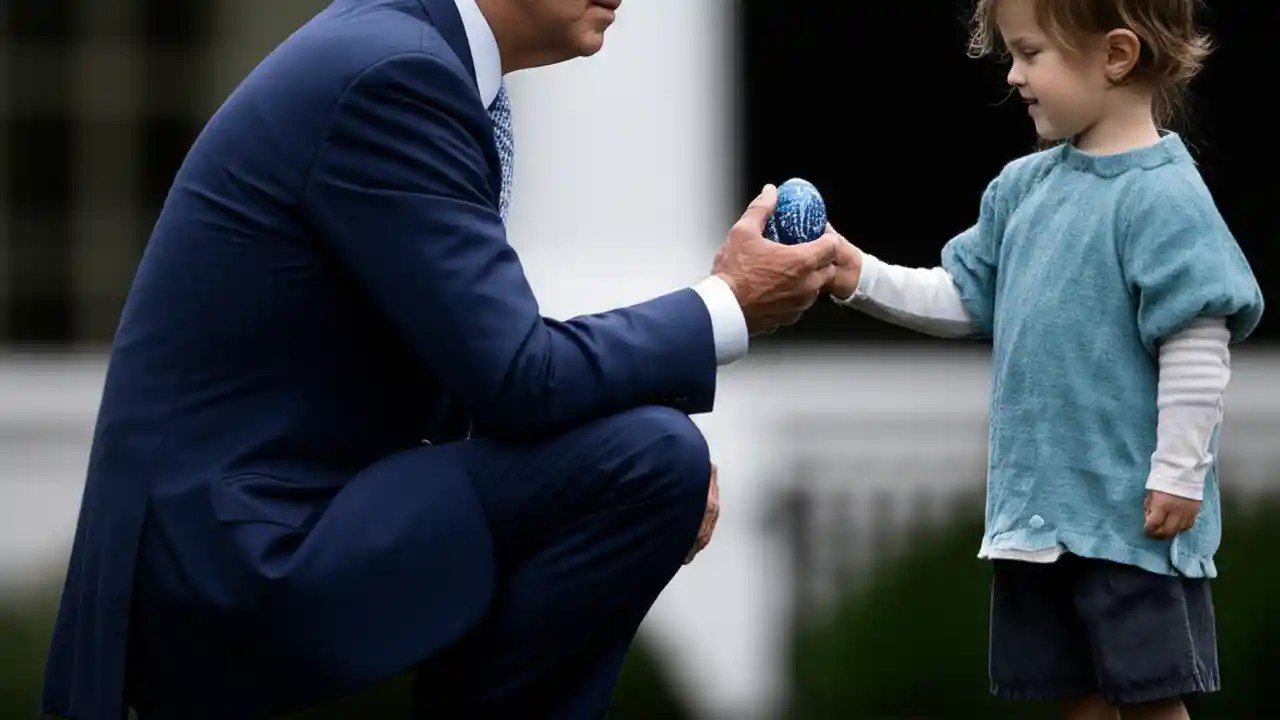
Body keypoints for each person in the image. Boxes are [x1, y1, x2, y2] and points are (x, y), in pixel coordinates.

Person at [40, 0, 839, 717]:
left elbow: (486, 369)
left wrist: (599, 444)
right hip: (241, 561)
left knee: (636, 454)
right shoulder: (398, 74)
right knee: (648, 460)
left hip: (266, 527)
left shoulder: (410, 56)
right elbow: (520, 378)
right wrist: (726, 304)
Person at [821, 0, 1263, 718]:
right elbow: (965, 297)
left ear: (1116, 56)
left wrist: (1180, 472)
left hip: (1129, 521)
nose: (1015, 76)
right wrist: (856, 275)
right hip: (1036, 523)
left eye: (1031, 54)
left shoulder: (1165, 198)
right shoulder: (1023, 189)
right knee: (1072, 698)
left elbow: (1197, 342)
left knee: (1154, 701)